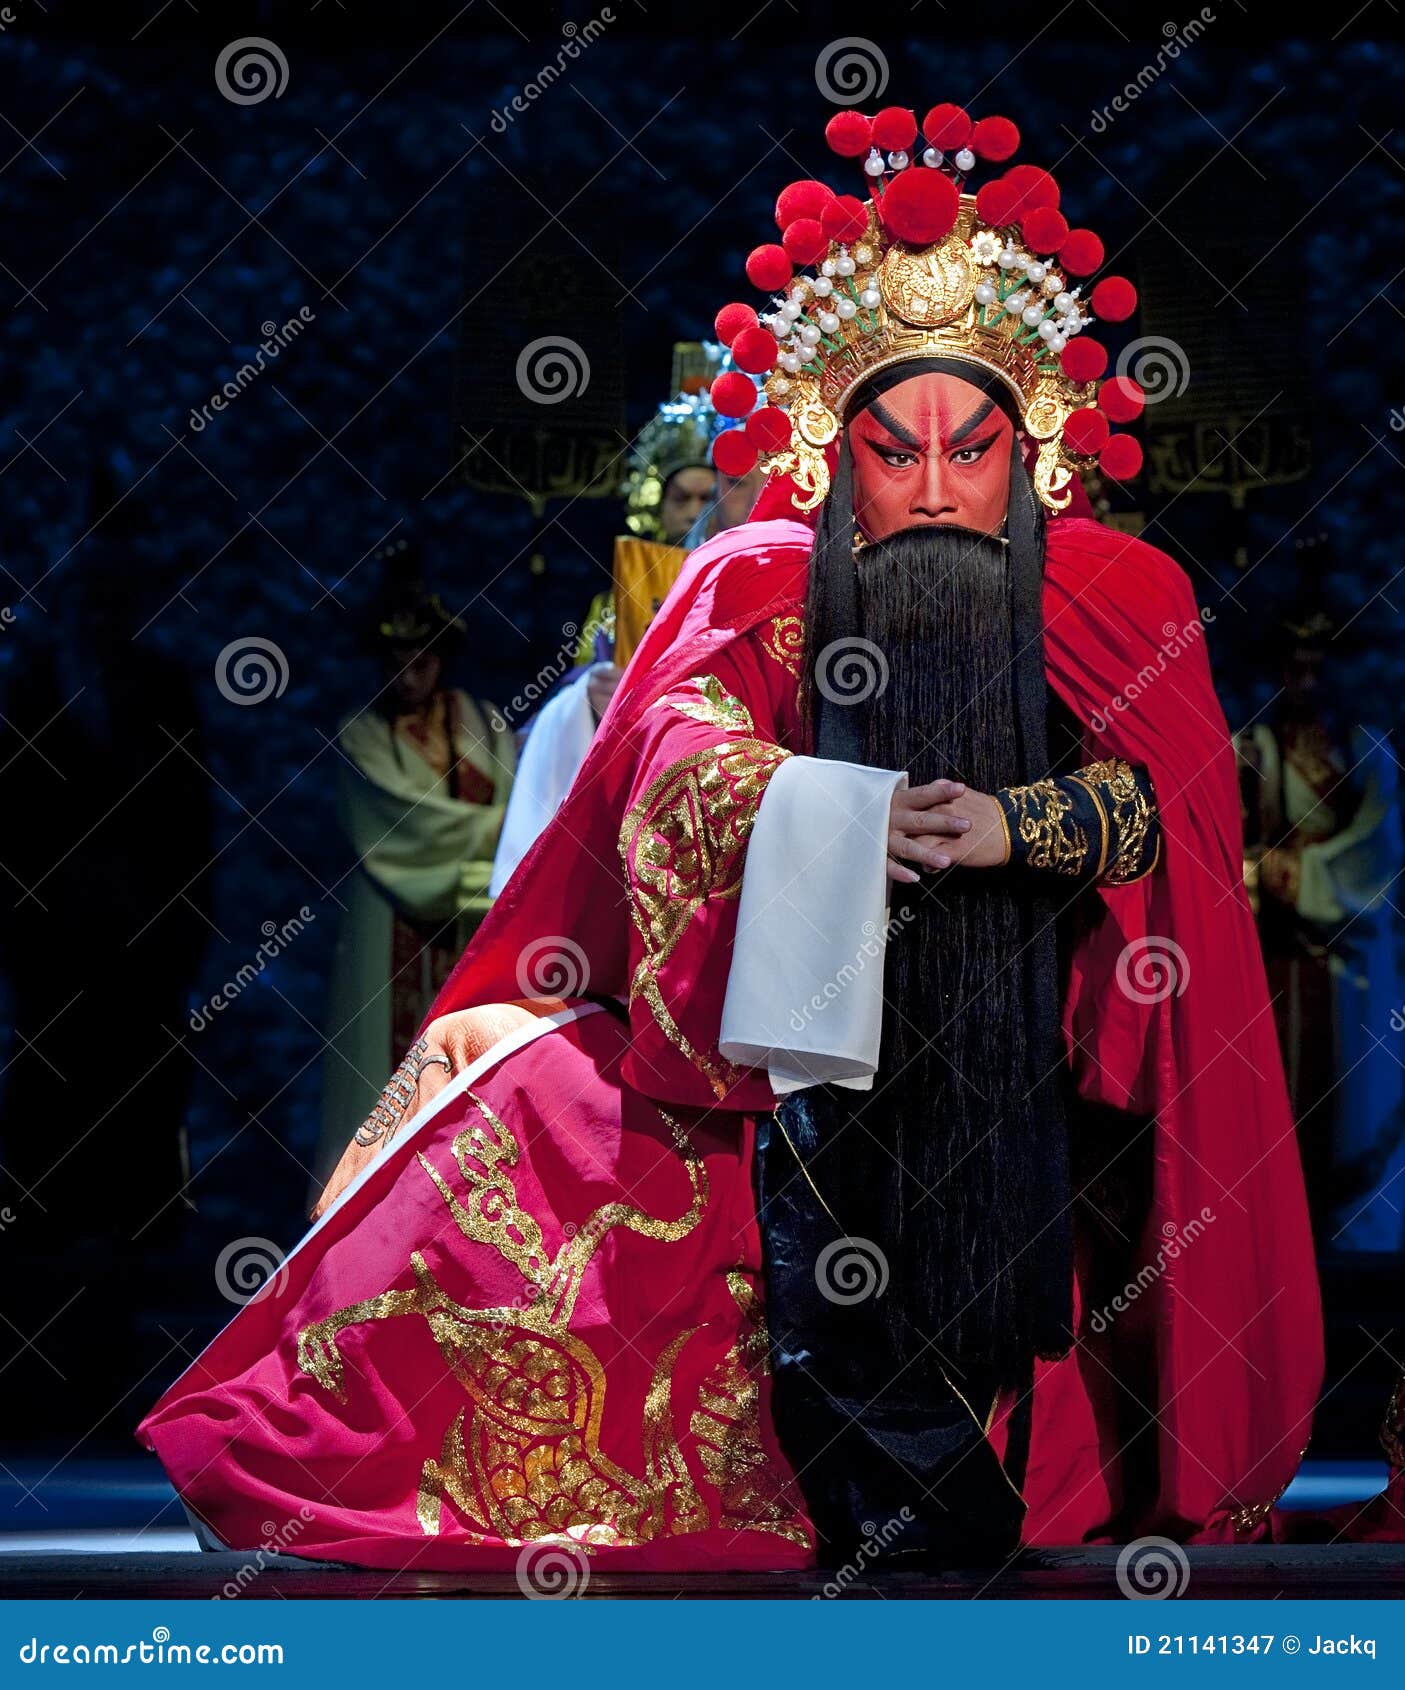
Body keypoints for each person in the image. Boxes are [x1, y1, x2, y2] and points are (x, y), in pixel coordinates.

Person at [140, 99, 1327, 1569]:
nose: (941, 489)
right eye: (898, 453)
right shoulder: (762, 575)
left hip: (1031, 1065)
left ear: (1040, 453)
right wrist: (835, 807)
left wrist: (1018, 824)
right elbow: (674, 753)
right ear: (834, 454)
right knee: (515, 1099)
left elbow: (1168, 818)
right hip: (776, 1056)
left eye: (976, 451)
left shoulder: (1115, 596)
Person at [313, 542, 516, 1193]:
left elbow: (521, 800)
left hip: (473, 930)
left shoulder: (481, 721)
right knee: (383, 1071)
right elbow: (406, 830)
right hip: (392, 923)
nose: (409, 674)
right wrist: (499, 838)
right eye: (396, 659)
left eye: (421, 658)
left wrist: (503, 841)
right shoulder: (359, 733)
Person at [1237, 606, 1404, 1253]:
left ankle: (1360, 1258)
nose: (1304, 681)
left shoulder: (1369, 753)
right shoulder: (1255, 746)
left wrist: (1274, 874)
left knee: (1359, 1116)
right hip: (1273, 965)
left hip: (1354, 974)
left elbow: (1374, 859)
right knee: (1276, 1117)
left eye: (1317, 665)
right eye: (1293, 667)